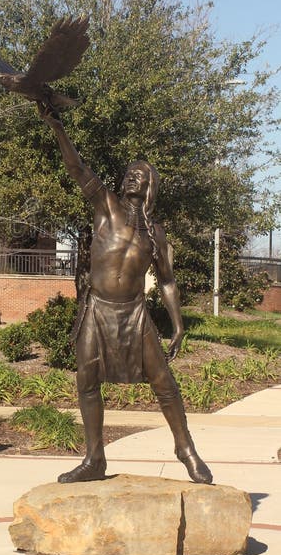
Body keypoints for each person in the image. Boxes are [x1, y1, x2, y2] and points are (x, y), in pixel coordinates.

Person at [38, 103, 212, 484]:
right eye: (130, 174)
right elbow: (77, 168)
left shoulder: (156, 233)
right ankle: (94, 459)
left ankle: (186, 450)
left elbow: (166, 280)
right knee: (86, 380)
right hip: (98, 309)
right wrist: (57, 126)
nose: (133, 178)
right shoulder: (107, 208)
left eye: (141, 175)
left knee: (163, 382)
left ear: (151, 187)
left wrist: (178, 325)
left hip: (134, 314)